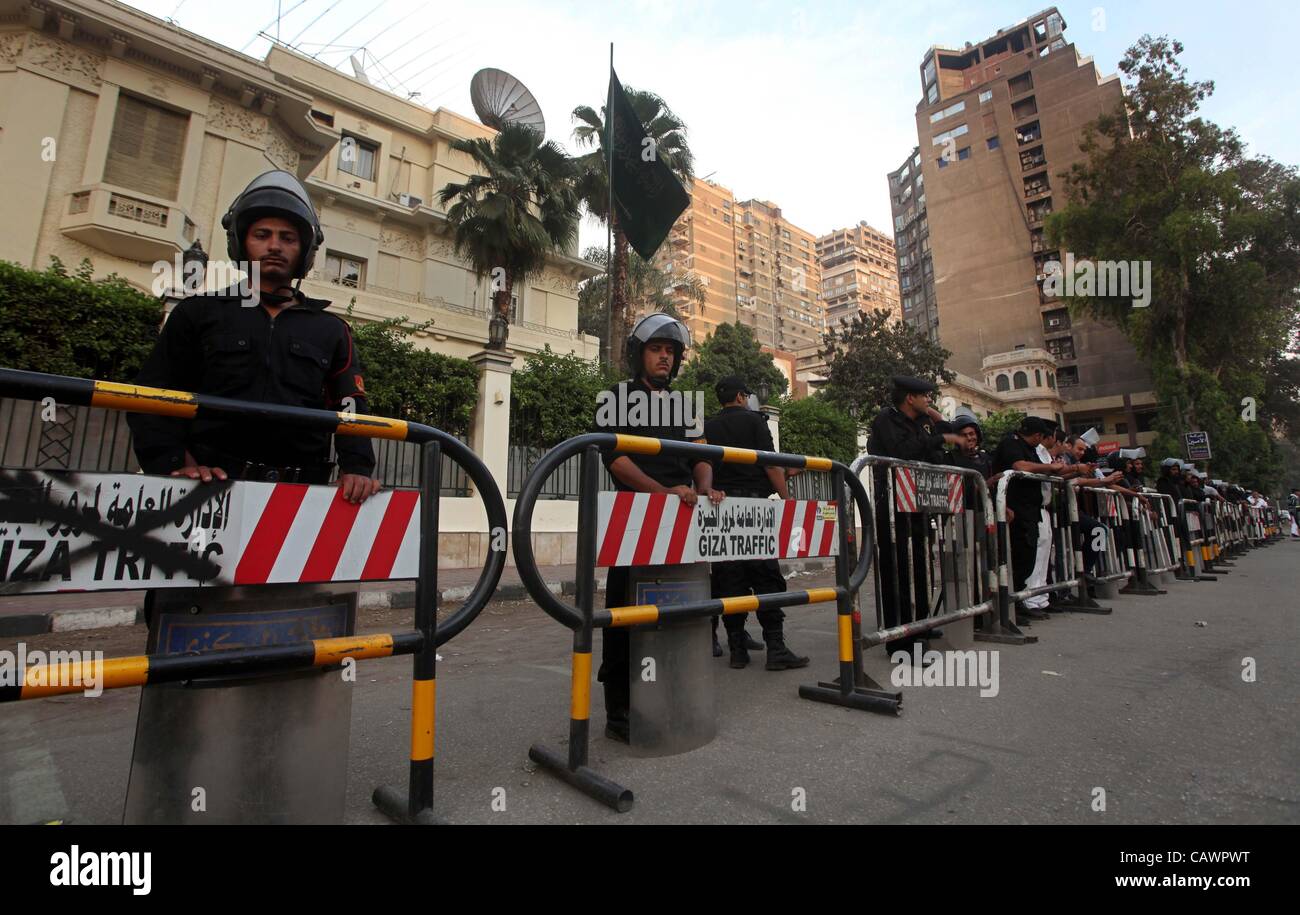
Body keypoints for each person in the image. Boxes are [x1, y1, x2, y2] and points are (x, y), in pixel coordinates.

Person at [128, 170, 380, 502]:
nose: (275, 245)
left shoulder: (333, 330)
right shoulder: (197, 313)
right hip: (207, 491)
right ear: (240, 242)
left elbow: (350, 406)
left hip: (302, 495)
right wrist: (175, 463)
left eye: (288, 238)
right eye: (262, 234)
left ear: (304, 251)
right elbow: (153, 395)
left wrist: (357, 468)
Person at [595, 313, 716, 743]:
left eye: (670, 352)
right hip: (635, 521)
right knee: (626, 614)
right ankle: (620, 710)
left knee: (680, 611)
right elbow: (617, 459)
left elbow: (702, 455)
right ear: (638, 355)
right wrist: (661, 491)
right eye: (656, 350)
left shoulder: (685, 406)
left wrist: (704, 488)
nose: (664, 357)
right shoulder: (616, 397)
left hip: (682, 519)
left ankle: (671, 695)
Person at [703, 376, 809, 671]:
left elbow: (706, 466)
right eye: (746, 395)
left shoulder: (708, 426)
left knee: (729, 578)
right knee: (766, 578)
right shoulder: (755, 422)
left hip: (722, 509)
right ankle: (776, 649)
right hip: (755, 509)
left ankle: (737, 649)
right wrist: (787, 498)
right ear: (740, 396)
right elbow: (769, 464)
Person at [866, 376, 963, 655]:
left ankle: (921, 623)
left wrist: (937, 423)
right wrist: (938, 438)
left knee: (921, 562)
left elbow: (938, 456)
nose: (929, 400)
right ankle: (899, 638)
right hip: (892, 503)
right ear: (910, 398)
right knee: (896, 568)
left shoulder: (921, 423)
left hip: (918, 503)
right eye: (926, 397)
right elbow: (902, 452)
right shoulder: (887, 419)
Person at [991, 416, 1064, 621]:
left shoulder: (1032, 449)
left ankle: (1023, 599)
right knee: (1019, 556)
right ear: (1038, 435)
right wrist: (1049, 467)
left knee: (1032, 556)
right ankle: (1015, 603)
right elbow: (1020, 466)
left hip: (1031, 510)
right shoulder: (1011, 444)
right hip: (1016, 510)